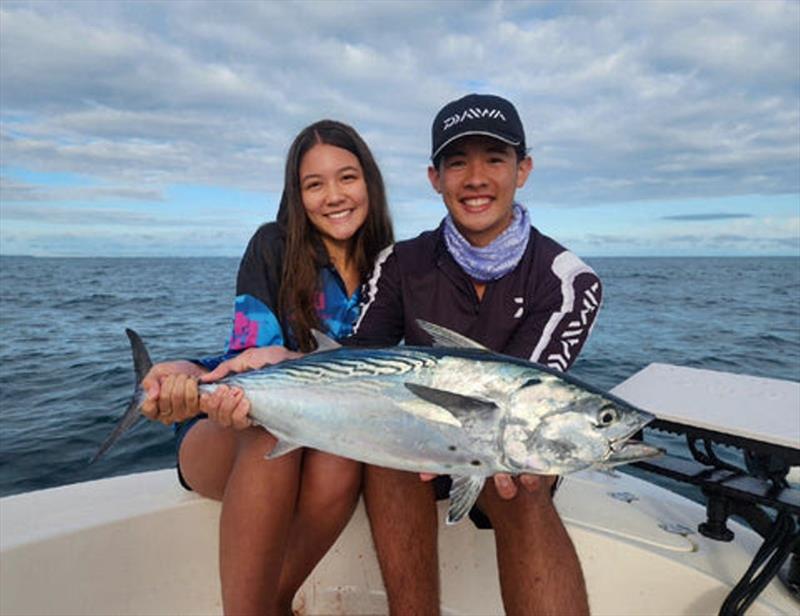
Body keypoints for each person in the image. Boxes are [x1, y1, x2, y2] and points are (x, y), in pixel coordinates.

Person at [347, 93, 601, 615]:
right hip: (421, 440)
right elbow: (356, 359)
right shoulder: (401, 262)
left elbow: (530, 396)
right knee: (388, 457)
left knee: (523, 481)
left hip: (506, 446)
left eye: (494, 158)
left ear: (523, 169)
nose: (476, 177)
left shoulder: (568, 280)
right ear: (434, 178)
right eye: (457, 162)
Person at [138, 119, 394, 615]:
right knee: (266, 431)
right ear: (296, 196)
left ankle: (274, 604)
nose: (334, 196)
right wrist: (189, 371)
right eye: (314, 184)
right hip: (229, 434)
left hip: (323, 440)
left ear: (369, 182)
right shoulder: (272, 246)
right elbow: (249, 362)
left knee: (341, 461)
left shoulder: (391, 264)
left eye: (347, 177)